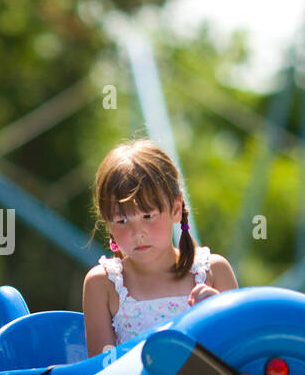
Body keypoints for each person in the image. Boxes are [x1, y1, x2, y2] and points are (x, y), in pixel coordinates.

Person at [82, 139, 238, 358]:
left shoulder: (213, 271)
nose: (138, 233)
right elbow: (99, 372)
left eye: (148, 216)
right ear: (107, 222)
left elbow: (241, 356)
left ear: (175, 209)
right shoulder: (102, 284)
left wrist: (217, 313)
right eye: (121, 220)